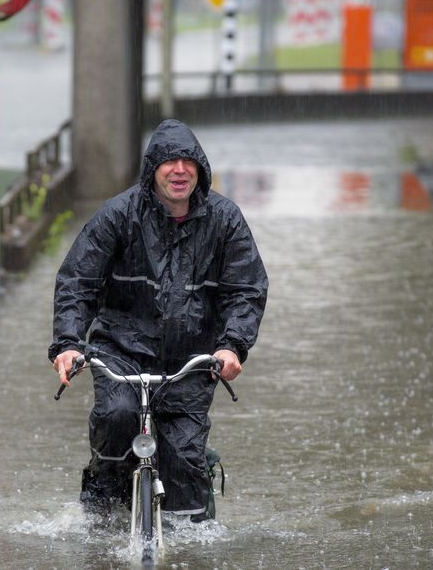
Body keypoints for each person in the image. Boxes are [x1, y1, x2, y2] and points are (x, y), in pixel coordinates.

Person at [48, 119, 268, 521]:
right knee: (116, 418)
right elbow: (78, 282)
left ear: (200, 168)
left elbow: (246, 289)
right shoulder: (117, 216)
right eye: (169, 162)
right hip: (121, 353)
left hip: (193, 360)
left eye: (188, 161)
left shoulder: (226, 220)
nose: (179, 169)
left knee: (184, 460)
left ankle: (191, 538)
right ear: (152, 169)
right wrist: (67, 343)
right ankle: (99, 510)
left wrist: (232, 345)